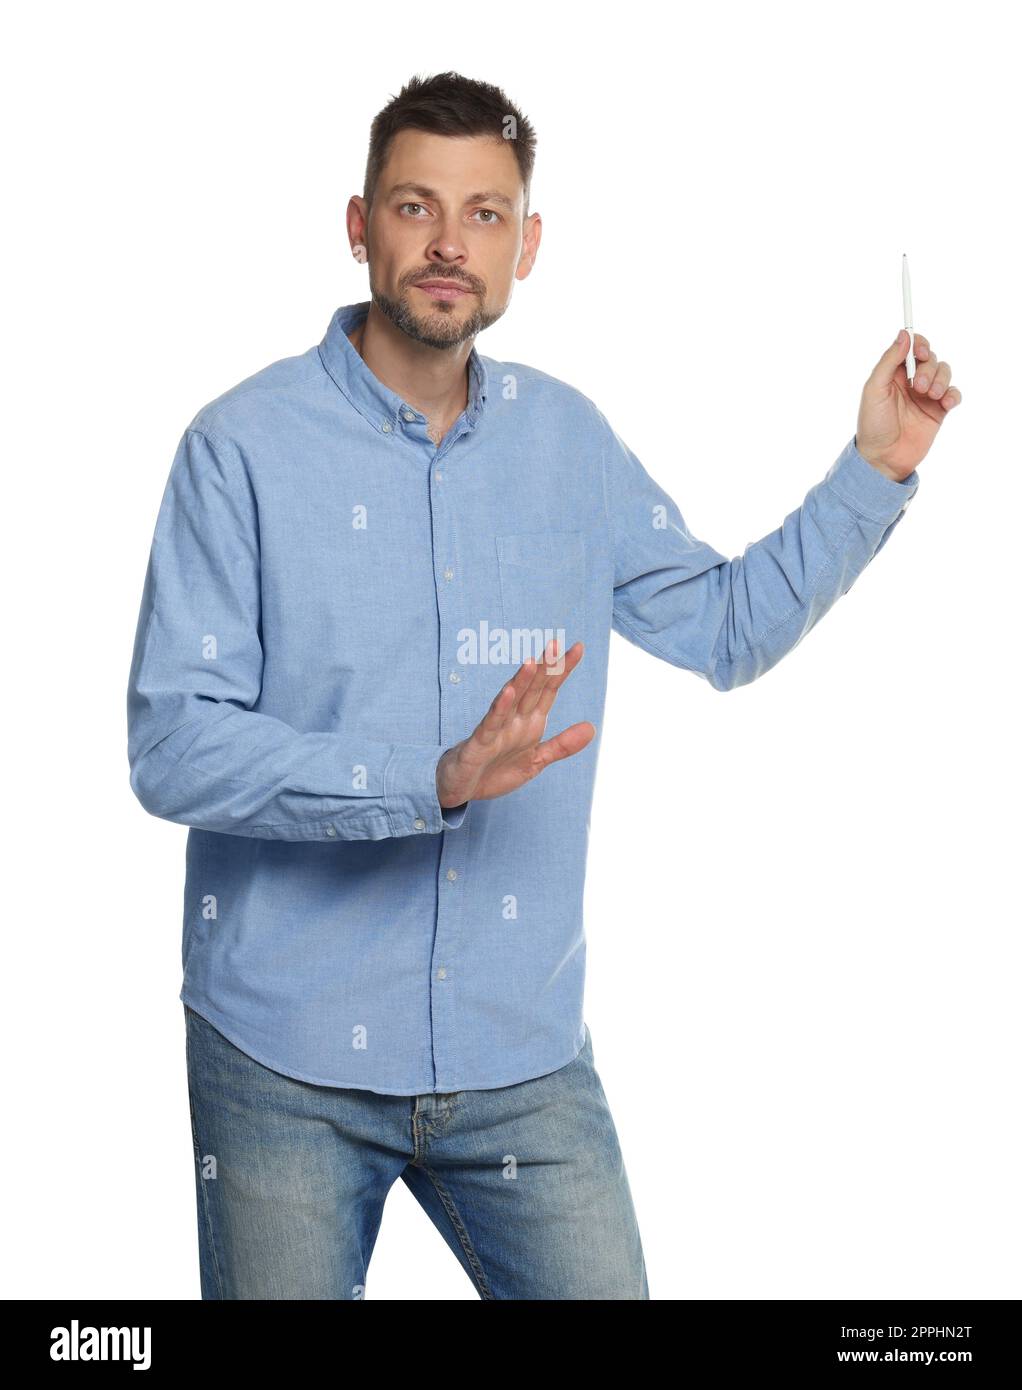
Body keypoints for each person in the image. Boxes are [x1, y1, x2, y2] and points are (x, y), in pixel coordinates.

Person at [126, 71, 961, 1301]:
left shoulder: (569, 445)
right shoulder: (238, 448)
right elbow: (175, 746)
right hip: (283, 1059)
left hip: (517, 1056)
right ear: (359, 226)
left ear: (527, 243)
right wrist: (431, 779)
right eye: (415, 207)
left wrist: (874, 466)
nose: (447, 244)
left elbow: (725, 627)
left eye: (484, 214)